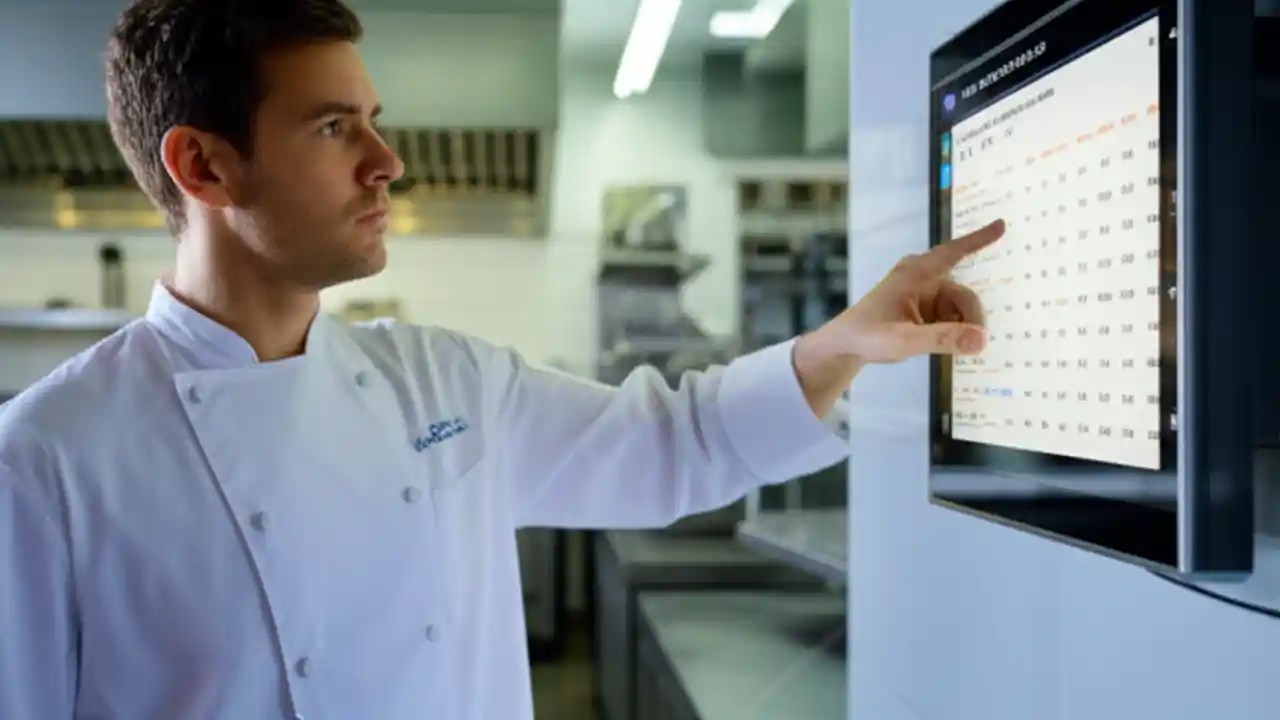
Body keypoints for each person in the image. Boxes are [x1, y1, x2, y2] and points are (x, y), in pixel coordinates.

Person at [0, 1, 1002, 718]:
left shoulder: (441, 383)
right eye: (333, 126)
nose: (386, 162)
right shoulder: (48, 457)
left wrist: (845, 340)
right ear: (203, 165)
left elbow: (676, 443)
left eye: (373, 122)